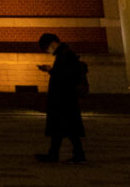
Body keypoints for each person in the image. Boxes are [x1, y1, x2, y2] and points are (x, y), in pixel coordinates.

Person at [35, 33, 89, 164]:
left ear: (52, 43)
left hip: (64, 98)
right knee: (62, 128)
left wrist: (50, 70)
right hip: (65, 98)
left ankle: (69, 154)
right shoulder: (65, 54)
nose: (47, 51)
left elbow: (64, 77)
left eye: (46, 48)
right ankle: (58, 154)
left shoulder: (65, 55)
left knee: (65, 127)